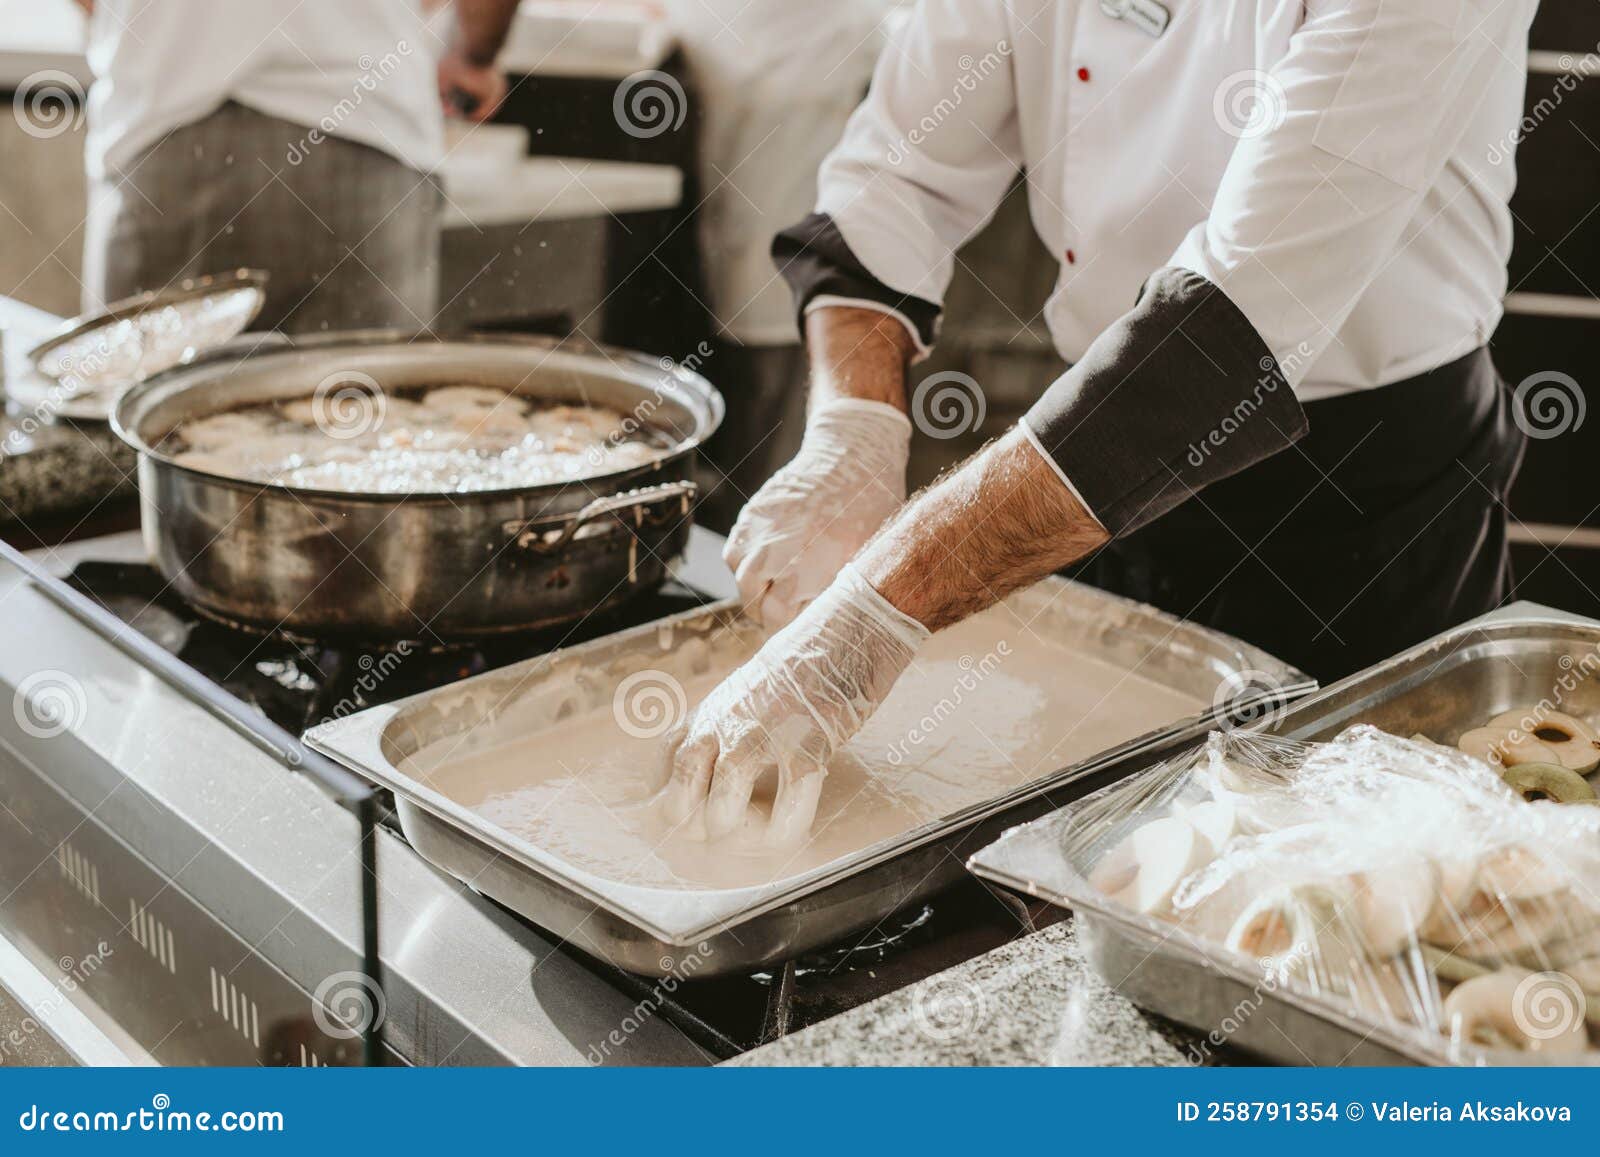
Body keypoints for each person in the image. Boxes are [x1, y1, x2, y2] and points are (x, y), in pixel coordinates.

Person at [660, 0, 1539, 848]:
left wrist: (878, 607)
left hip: (1364, 516)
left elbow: (1219, 342)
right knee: (1100, 863)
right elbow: (895, 183)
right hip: (1089, 480)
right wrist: (851, 431)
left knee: (1353, 881)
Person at [78, 0, 519, 333]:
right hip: (361, 129)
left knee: (135, 410)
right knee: (361, 412)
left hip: (159, 134)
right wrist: (472, 55)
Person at [658, 0, 893, 532]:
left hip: (775, 263)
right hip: (772, 264)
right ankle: (754, 537)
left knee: (765, 433)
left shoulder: (848, 22)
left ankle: (748, 535)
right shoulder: (853, 23)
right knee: (769, 439)